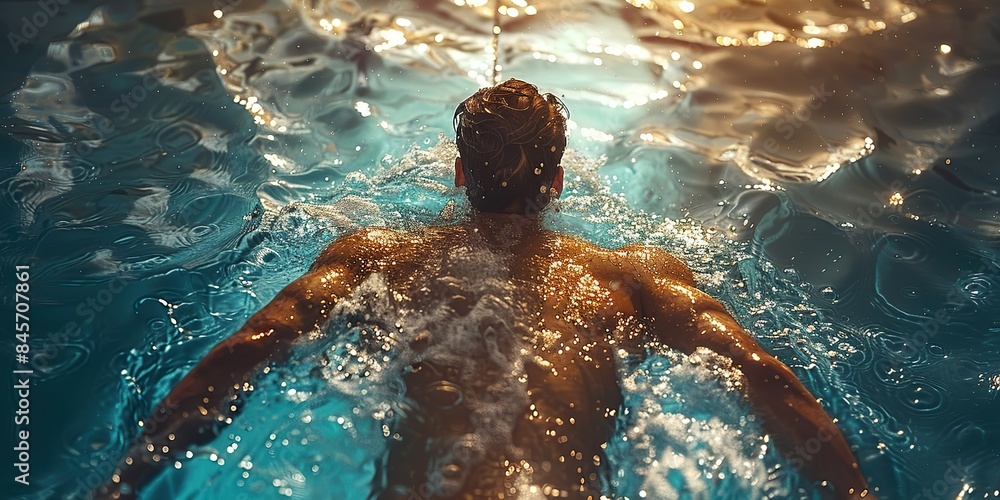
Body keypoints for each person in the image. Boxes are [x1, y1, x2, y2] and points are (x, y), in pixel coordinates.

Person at [99, 79, 871, 499]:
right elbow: (764, 380)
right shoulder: (635, 278)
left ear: (459, 174)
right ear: (559, 183)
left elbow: (251, 350)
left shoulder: (377, 257)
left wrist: (123, 482)